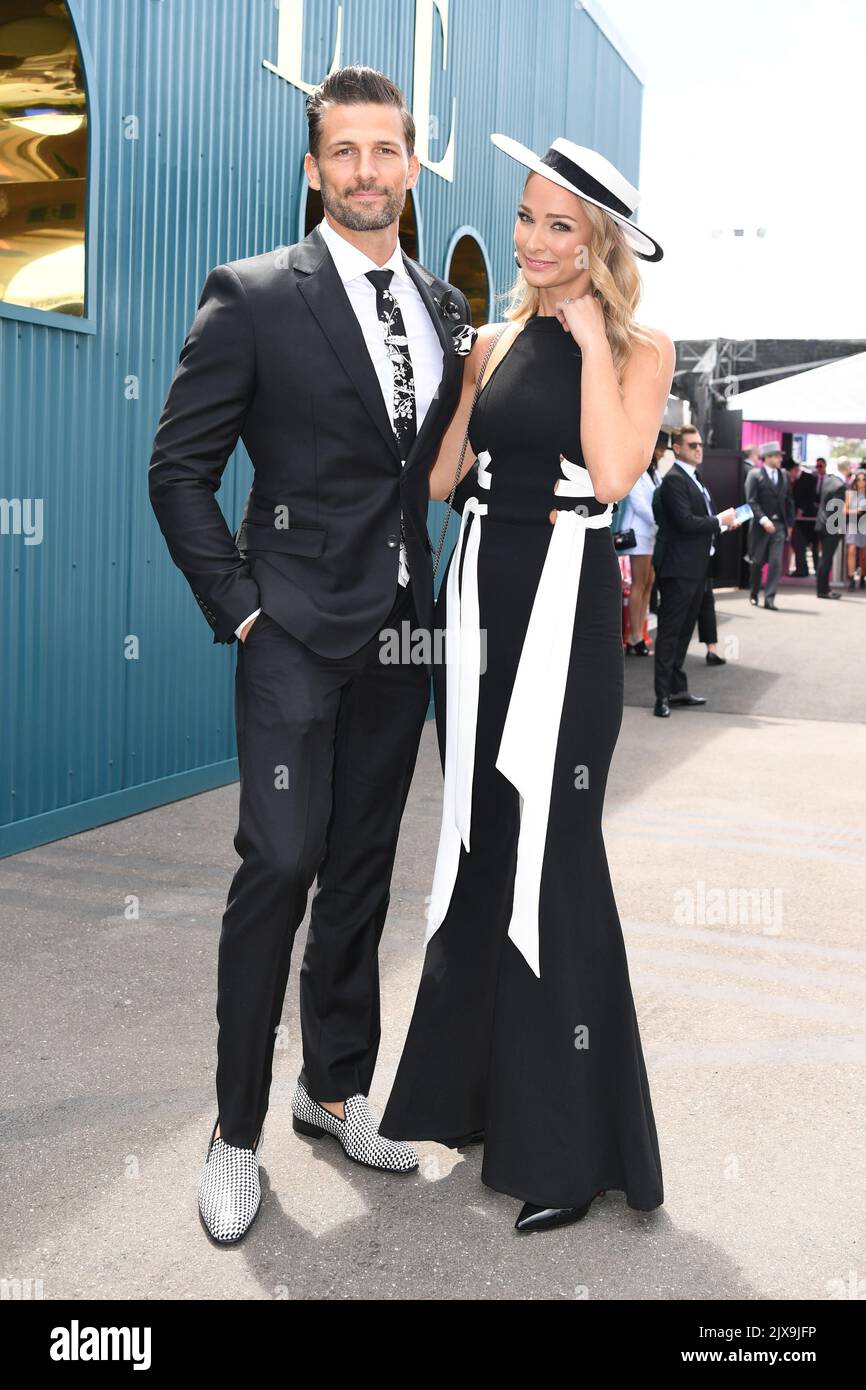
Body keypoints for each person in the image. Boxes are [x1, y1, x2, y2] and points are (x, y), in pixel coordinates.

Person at [148, 65, 478, 1243]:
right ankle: (234, 1134)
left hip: (401, 635)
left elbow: (438, 472)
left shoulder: (445, 313)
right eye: (342, 152)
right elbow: (176, 469)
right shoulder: (251, 296)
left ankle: (331, 1091)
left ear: (408, 163)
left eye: (384, 151)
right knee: (278, 864)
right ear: (312, 169)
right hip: (287, 631)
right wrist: (240, 609)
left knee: (357, 875)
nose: (365, 172)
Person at [379, 132, 672, 1232]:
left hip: (567, 605)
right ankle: (462, 1101)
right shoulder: (491, 340)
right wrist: (450, 400)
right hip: (479, 604)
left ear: (596, 243)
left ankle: (569, 1149)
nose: (534, 241)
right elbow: (448, 471)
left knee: (555, 847)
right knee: (477, 840)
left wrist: (591, 343)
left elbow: (608, 474)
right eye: (525, 217)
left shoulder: (642, 346)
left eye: (560, 225)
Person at [651, 426, 739, 717]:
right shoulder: (675, 479)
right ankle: (662, 696)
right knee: (670, 633)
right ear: (677, 448)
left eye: (700, 444)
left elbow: (699, 519)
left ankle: (677, 690)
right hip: (678, 569)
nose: (699, 449)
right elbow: (686, 523)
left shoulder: (694, 477)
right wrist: (719, 520)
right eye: (692, 445)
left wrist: (723, 523)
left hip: (697, 567)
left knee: (684, 633)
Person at [618, 433, 665, 654]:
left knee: (648, 582)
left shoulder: (654, 474)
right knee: (639, 583)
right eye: (660, 449)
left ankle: (639, 632)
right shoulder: (637, 471)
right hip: (639, 534)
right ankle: (634, 636)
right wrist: (661, 522)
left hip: (651, 533)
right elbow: (638, 504)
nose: (662, 453)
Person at [745, 441, 795, 608]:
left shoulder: (784, 475)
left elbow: (789, 500)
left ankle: (769, 598)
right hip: (760, 526)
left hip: (779, 525)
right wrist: (763, 519)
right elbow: (751, 501)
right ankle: (754, 592)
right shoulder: (754, 474)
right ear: (767, 457)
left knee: (776, 562)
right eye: (777, 456)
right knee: (757, 562)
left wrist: (790, 523)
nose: (780, 459)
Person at [815, 460, 848, 599]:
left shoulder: (828, 481)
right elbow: (837, 510)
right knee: (827, 559)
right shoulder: (840, 485)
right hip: (831, 527)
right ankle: (823, 590)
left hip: (821, 523)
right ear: (846, 468)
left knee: (824, 558)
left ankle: (823, 588)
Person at [845, 468, 866, 589]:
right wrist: (856, 510)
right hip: (853, 523)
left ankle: (862, 576)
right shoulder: (850, 494)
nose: (861, 481)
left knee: (864, 554)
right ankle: (851, 578)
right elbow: (844, 510)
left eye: (864, 479)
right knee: (851, 551)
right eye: (859, 479)